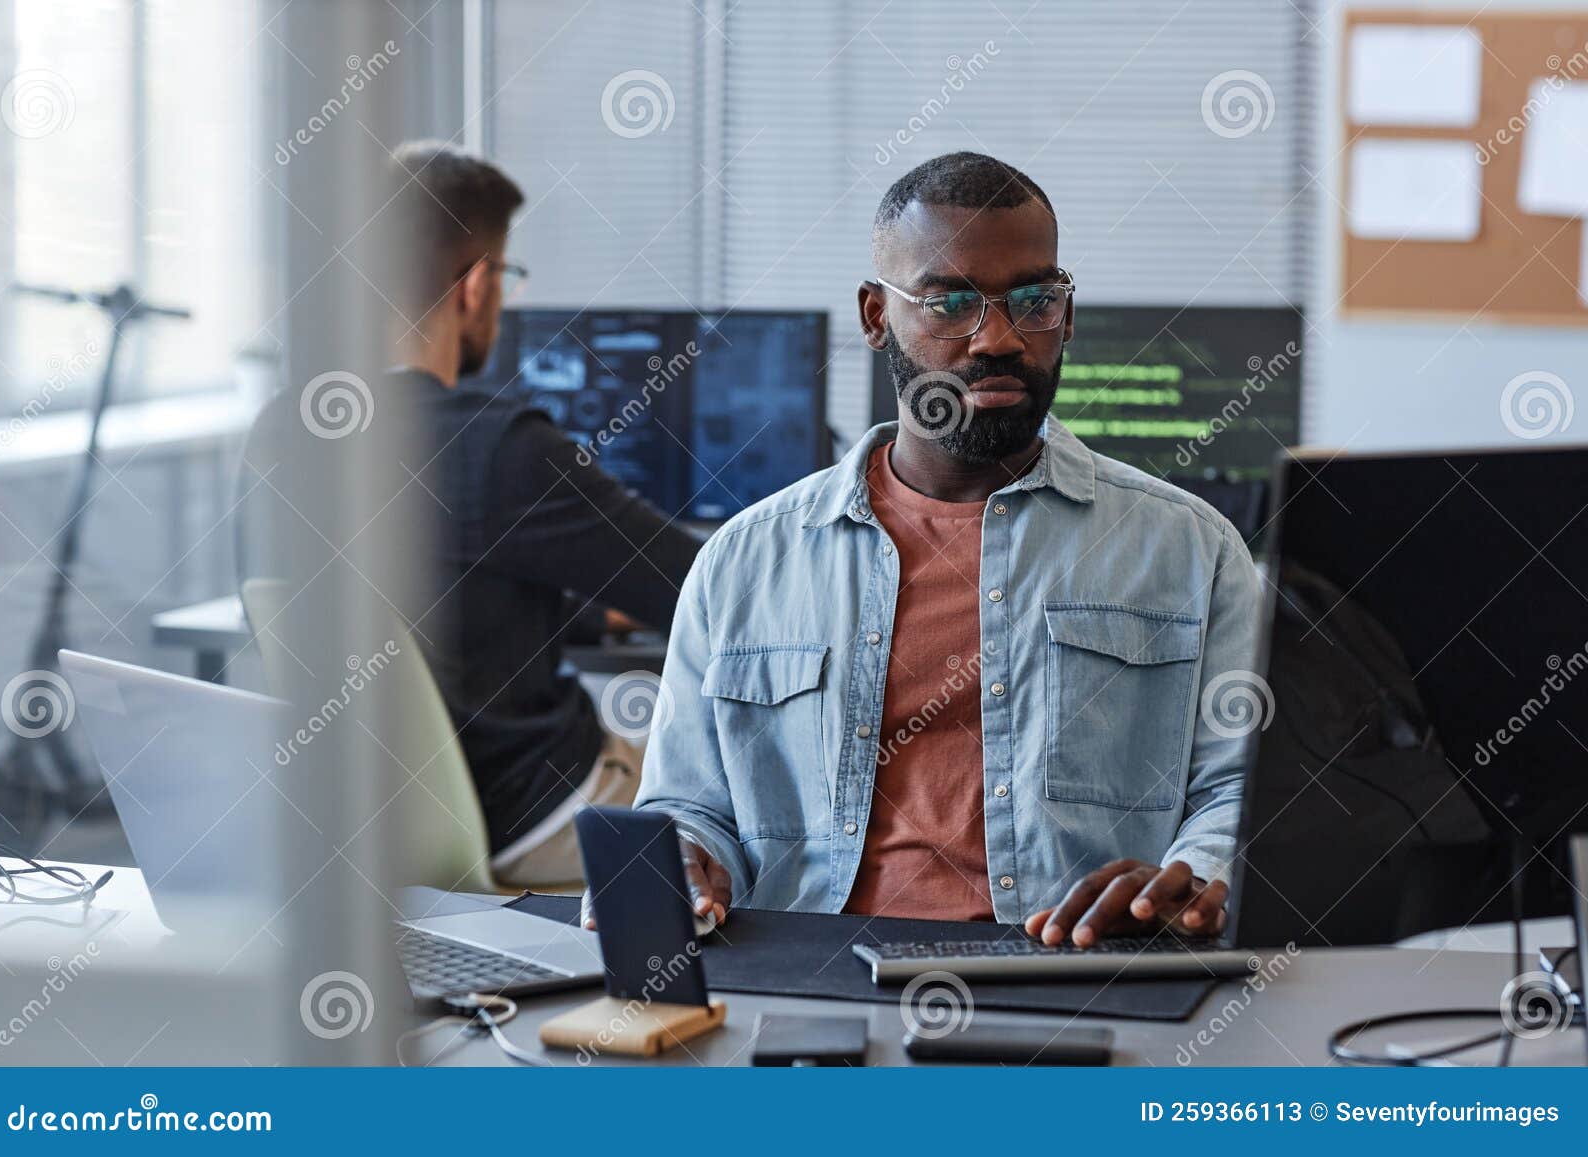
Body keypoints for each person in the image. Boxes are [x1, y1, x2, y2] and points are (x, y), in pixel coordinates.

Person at [635, 152, 1260, 945]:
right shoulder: (744, 561)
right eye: (948, 302)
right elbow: (688, 805)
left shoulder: (1192, 551)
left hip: (1082, 967)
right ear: (874, 316)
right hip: (805, 974)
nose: (997, 338)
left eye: (1034, 300)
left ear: (1067, 315)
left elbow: (1240, 791)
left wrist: (1198, 873)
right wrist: (684, 859)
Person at [239, 141, 701, 886]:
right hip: (537, 812)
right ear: (476, 285)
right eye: (505, 276)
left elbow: (408, 602)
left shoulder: (279, 430)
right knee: (738, 806)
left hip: (364, 823)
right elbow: (704, 590)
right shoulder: (500, 442)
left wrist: (585, 614)